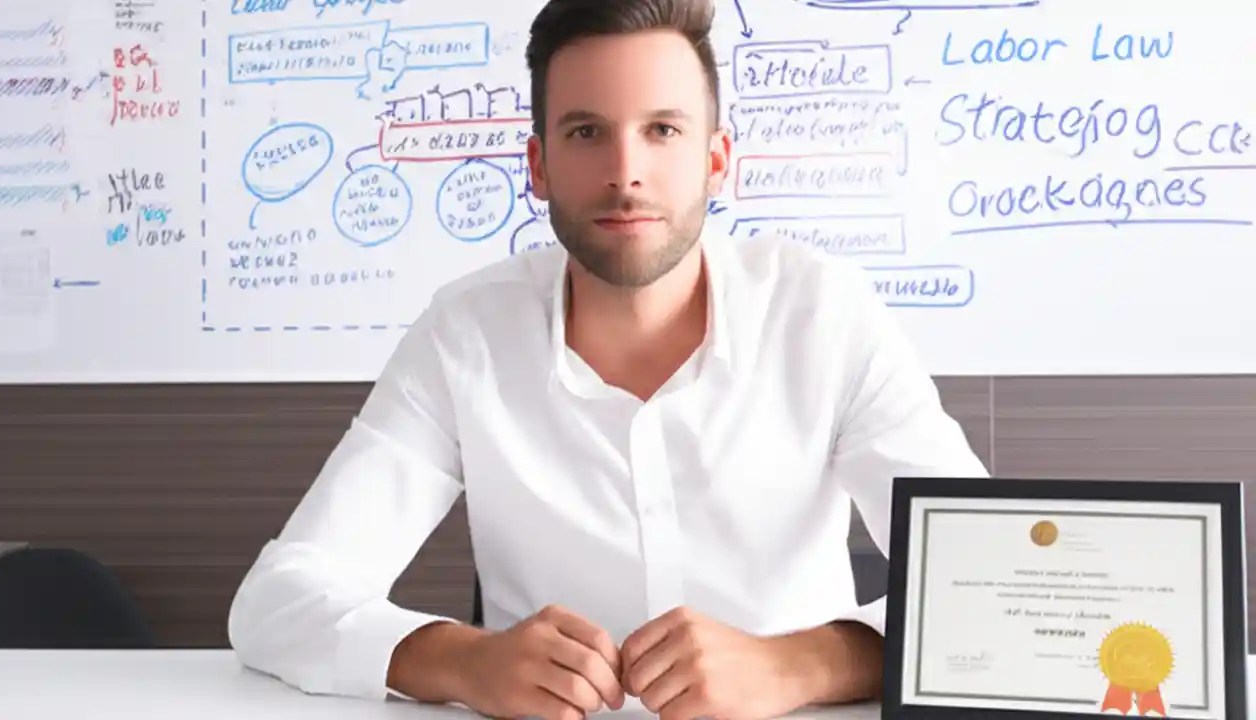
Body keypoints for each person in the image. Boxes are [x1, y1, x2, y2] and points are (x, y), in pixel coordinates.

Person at [228, 0, 988, 718]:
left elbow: (993, 578)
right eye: (587, 132)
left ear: (717, 159)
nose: (626, 172)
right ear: (539, 165)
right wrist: (464, 661)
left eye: (662, 130)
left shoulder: (821, 314)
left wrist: (799, 664)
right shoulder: (466, 334)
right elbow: (278, 601)